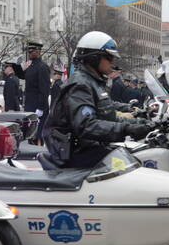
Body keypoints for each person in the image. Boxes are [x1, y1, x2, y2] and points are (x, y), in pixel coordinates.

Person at [43, 32, 151, 169]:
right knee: (134, 170)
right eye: (109, 57)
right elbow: (87, 125)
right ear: (94, 58)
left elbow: (108, 114)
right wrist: (127, 128)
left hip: (92, 146)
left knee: (138, 157)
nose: (112, 62)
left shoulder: (93, 82)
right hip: (76, 153)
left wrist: (139, 123)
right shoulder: (80, 85)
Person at [12, 40, 51, 143]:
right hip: (30, 105)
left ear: (38, 51)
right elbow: (22, 75)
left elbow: (44, 89)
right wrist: (17, 65)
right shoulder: (31, 65)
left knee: (37, 135)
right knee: (29, 134)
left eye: (31, 51)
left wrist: (41, 108)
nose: (29, 53)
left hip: (37, 106)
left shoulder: (42, 67)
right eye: (28, 51)